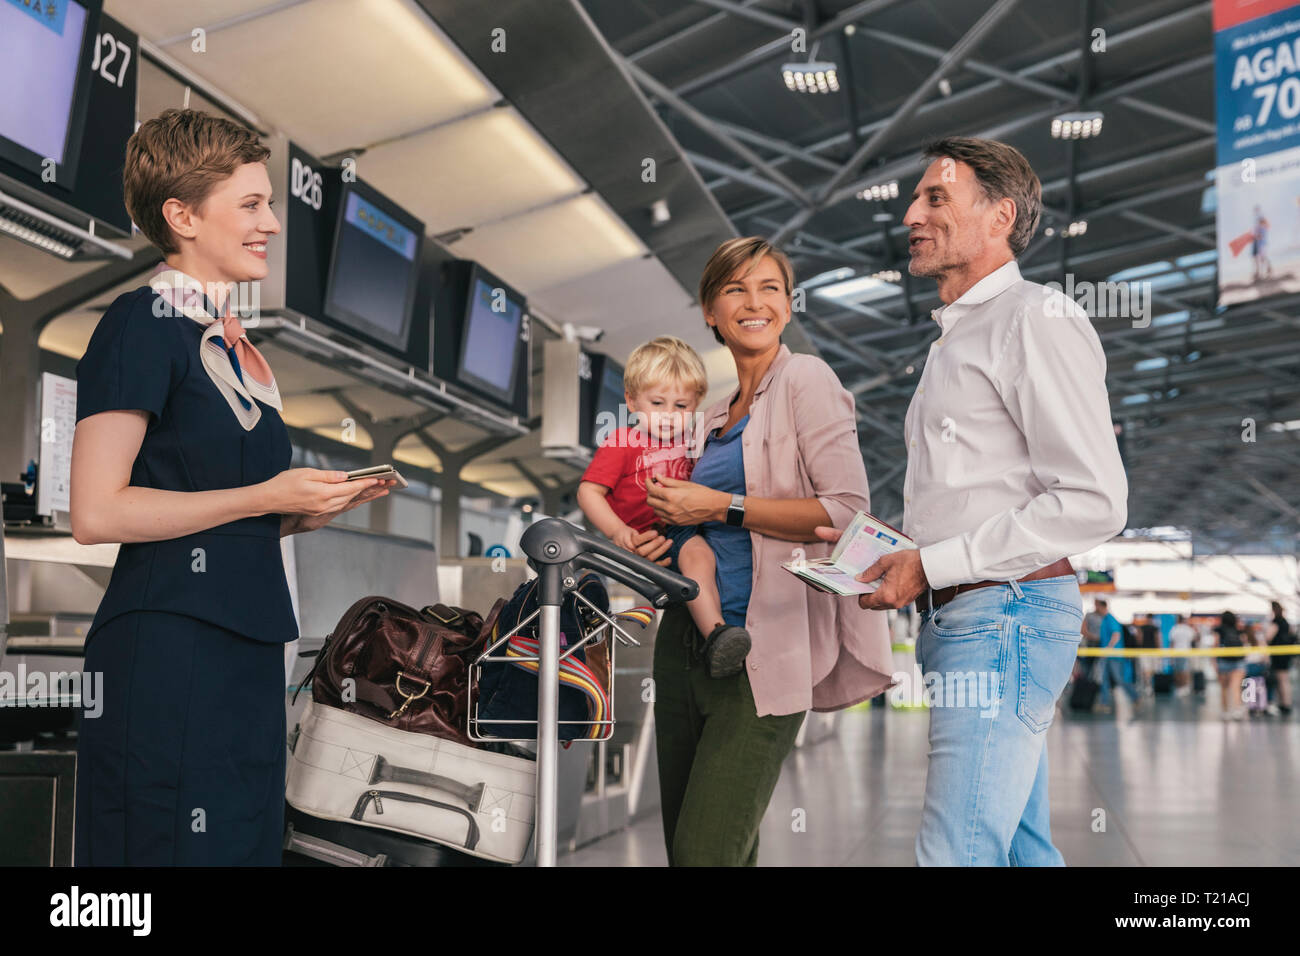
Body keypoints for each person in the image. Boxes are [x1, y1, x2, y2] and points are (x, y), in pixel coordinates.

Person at [69, 109, 395, 865]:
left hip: (246, 652)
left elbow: (208, 508)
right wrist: (263, 499)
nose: (272, 223)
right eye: (250, 204)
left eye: (269, 203)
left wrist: (297, 512)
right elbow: (95, 510)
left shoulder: (236, 347)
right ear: (181, 215)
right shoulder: (141, 325)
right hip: (170, 650)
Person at [823, 137, 1128, 867]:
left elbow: (1094, 500)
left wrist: (933, 562)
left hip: (1005, 614)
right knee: (1019, 850)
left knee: (956, 851)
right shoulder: (955, 341)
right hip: (974, 616)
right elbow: (980, 493)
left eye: (935, 198)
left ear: (1000, 216)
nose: (909, 213)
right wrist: (909, 551)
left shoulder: (1036, 318)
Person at [639, 236, 893, 866]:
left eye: (769, 288)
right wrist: (659, 539)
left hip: (764, 645)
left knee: (706, 852)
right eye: (735, 289)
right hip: (684, 640)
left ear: (788, 303)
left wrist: (717, 506)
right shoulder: (710, 418)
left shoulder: (806, 379)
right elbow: (692, 529)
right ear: (709, 311)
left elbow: (845, 512)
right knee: (695, 848)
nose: (754, 303)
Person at [577, 336, 751, 677]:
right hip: (644, 535)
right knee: (698, 557)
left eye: (681, 406)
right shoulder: (623, 441)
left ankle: (718, 631)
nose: (669, 416)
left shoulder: (696, 439)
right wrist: (617, 531)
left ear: (698, 403)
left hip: (681, 528)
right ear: (631, 400)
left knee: (702, 557)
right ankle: (716, 632)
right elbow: (589, 492)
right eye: (657, 403)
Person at [1095, 600, 1139, 714]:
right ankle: (1104, 704)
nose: (1095, 608)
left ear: (1101, 606)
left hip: (1114, 656)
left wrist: (1109, 648)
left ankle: (1135, 697)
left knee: (1119, 679)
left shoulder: (1110, 619)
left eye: (1096, 606)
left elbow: (1116, 635)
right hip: (1107, 656)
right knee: (1104, 680)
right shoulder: (1105, 620)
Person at [1216, 611, 1246, 721]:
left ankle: (1225, 711)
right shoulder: (1238, 630)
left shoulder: (1219, 630)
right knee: (1236, 686)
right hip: (1238, 661)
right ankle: (1237, 710)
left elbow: (1215, 646)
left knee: (1224, 688)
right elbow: (1244, 644)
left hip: (1223, 661)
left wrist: (1214, 663)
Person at [1266, 600, 1294, 716]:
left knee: (1282, 679)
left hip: (1278, 655)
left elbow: (1268, 636)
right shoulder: (1286, 622)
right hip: (1286, 654)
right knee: (1284, 679)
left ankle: (1285, 704)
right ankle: (1285, 703)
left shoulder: (1276, 621)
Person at [1169, 614, 1196, 696]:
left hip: (1177, 653)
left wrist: (1171, 656)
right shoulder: (1187, 629)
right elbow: (1195, 638)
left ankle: (1180, 687)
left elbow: (1172, 643)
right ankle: (1185, 687)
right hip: (1186, 652)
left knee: (1178, 671)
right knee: (1185, 670)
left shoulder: (1174, 629)